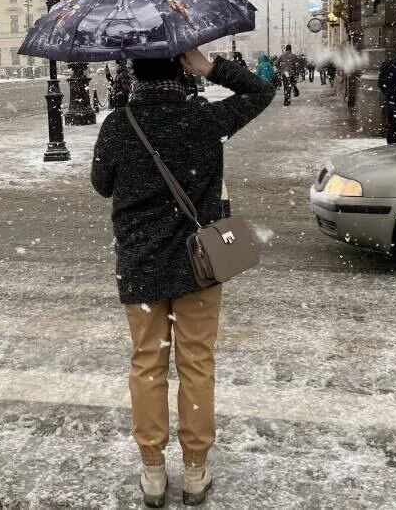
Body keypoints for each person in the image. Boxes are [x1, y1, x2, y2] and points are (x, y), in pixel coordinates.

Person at [90, 49, 274, 508]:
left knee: (147, 366)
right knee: (196, 364)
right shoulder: (205, 119)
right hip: (200, 265)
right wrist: (213, 68)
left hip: (141, 264)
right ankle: (195, 469)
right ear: (181, 70)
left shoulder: (119, 124)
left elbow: (102, 184)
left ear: (134, 74)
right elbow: (262, 91)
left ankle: (153, 470)